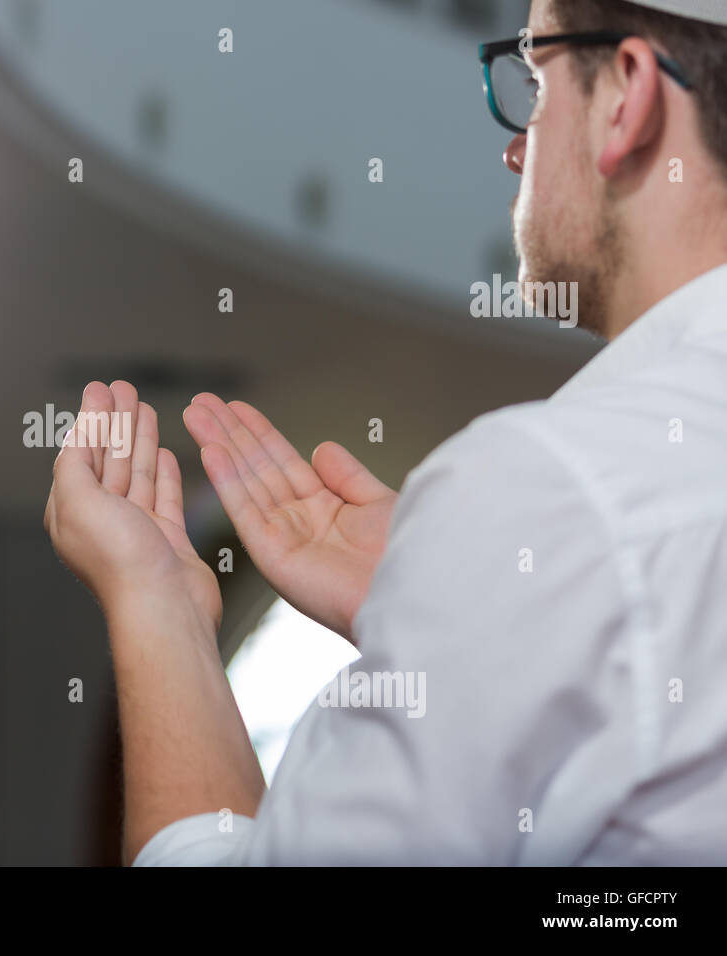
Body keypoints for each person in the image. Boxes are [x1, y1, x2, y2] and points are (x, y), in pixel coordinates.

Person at [43, 0, 727, 865]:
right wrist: (471, 614)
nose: (515, 147)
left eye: (533, 82)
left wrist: (157, 605)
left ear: (626, 95)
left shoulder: (552, 489)